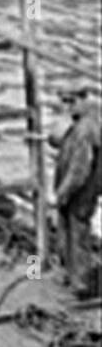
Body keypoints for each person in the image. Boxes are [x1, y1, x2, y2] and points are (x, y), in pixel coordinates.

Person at [49, 89, 101, 299]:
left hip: (81, 192)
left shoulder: (85, 130)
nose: (68, 106)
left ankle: (80, 284)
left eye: (72, 101)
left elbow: (79, 169)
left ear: (84, 100)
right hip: (77, 190)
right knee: (67, 230)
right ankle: (70, 275)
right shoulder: (81, 124)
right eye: (65, 101)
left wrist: (61, 193)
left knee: (77, 233)